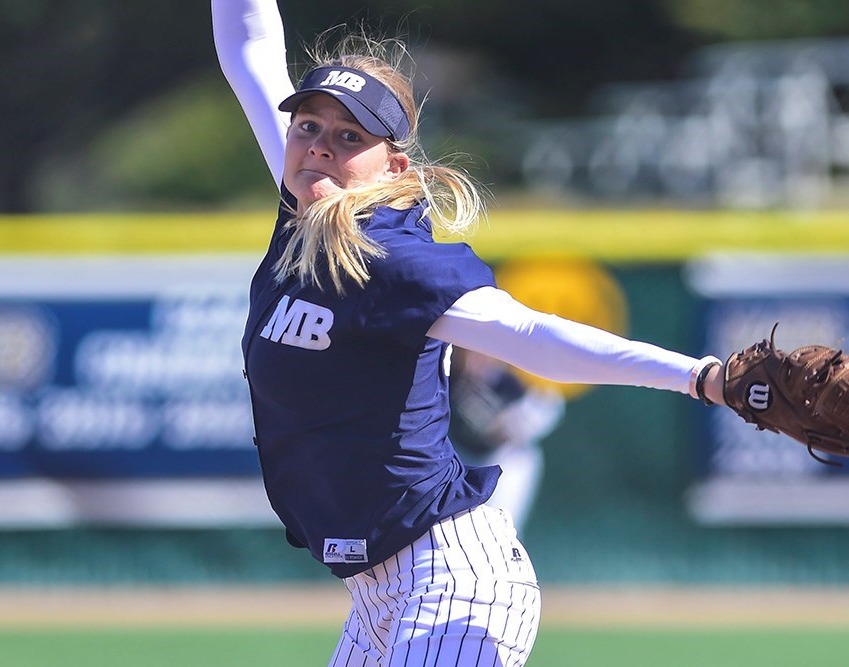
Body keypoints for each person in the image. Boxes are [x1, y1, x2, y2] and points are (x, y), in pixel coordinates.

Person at [212, 1, 727, 664]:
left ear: (393, 170)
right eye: (308, 125)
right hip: (375, 598)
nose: (318, 145)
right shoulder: (302, 215)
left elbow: (531, 336)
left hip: (456, 583)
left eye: (348, 138)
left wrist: (701, 377)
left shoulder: (401, 262)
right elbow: (250, 44)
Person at [448, 349, 564, 536]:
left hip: (500, 464)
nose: (480, 359)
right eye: (473, 352)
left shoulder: (512, 386)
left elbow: (550, 406)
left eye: (487, 353)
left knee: (522, 459)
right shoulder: (445, 376)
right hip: (457, 458)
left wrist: (513, 425)